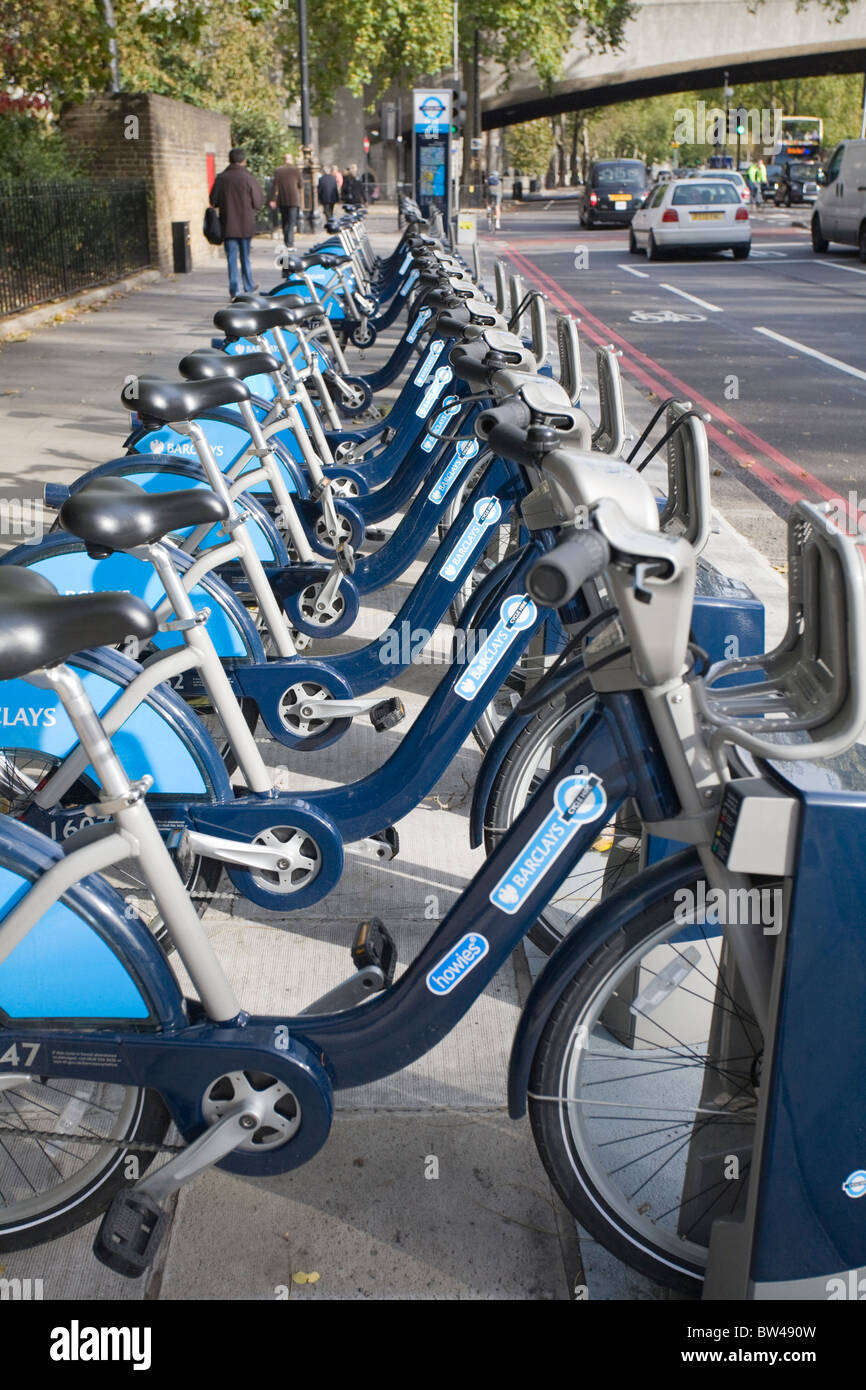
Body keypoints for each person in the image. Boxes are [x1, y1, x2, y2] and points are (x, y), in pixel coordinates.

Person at [209, 147, 263, 298]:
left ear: (229, 160)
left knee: (231, 258)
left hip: (228, 225)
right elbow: (258, 203)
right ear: (244, 161)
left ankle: (234, 290)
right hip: (245, 225)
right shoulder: (249, 178)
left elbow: (213, 200)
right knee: (245, 257)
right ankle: (248, 286)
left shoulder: (222, 178)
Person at [269, 152, 304, 248]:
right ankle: (290, 242)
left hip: (282, 199)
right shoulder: (296, 170)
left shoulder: (278, 171)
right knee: (292, 221)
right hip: (294, 200)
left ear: (283, 160)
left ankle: (286, 240)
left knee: (284, 221)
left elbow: (275, 186)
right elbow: (301, 185)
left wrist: (273, 199)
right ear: (291, 160)